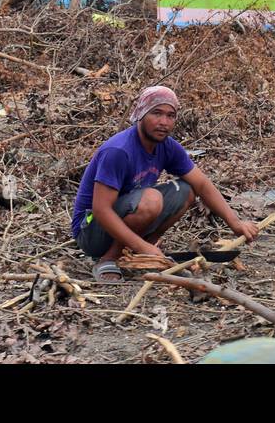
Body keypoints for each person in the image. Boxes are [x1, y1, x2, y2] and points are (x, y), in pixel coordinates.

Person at [71, 85, 261, 283]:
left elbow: (202, 184)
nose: (164, 122)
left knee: (187, 190)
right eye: (156, 113)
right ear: (141, 114)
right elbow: (101, 210)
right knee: (151, 199)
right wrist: (141, 247)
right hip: (90, 230)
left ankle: (145, 247)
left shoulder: (167, 147)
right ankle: (109, 258)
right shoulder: (119, 151)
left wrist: (235, 223)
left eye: (170, 115)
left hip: (124, 219)